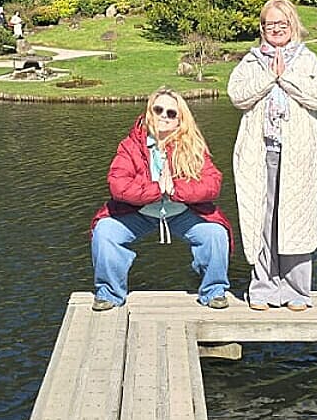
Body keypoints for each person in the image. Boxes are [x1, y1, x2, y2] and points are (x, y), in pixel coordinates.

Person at [227, 0, 317, 311]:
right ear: (262, 27)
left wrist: (285, 75)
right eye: (269, 24)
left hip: (298, 156)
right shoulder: (251, 61)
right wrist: (269, 75)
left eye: (281, 23)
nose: (275, 29)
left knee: (296, 220)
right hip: (261, 155)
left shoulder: (307, 59)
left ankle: (297, 291)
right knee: (262, 220)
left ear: (292, 25)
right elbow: (237, 95)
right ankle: (263, 289)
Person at [90, 87, 233, 311]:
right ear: (150, 112)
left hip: (182, 212)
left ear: (180, 120)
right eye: (158, 110)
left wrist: (175, 190)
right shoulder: (130, 145)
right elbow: (118, 184)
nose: (164, 116)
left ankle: (214, 291)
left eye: (171, 113)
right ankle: (109, 294)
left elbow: (212, 184)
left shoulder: (193, 145)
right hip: (138, 212)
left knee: (215, 234)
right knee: (105, 232)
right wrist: (157, 190)